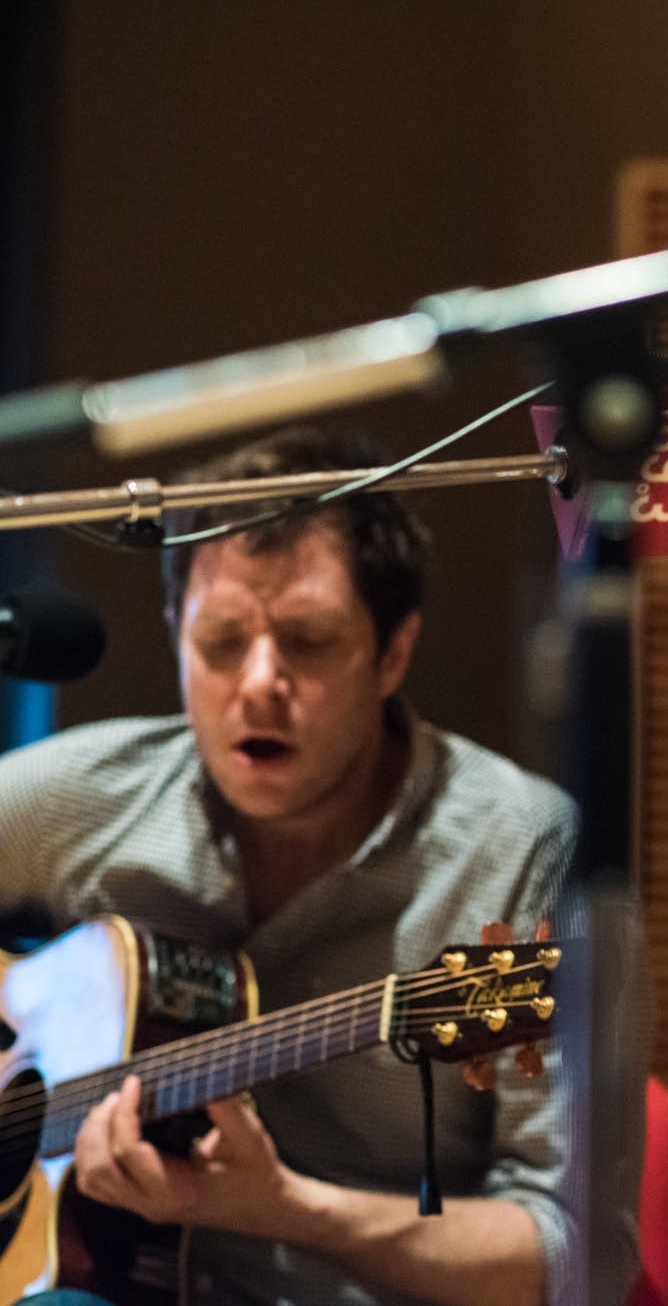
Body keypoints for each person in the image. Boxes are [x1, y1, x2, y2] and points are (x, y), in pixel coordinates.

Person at [0, 427, 602, 1306]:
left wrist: (284, 1207)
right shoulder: (81, 797)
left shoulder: (524, 847)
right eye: (220, 642)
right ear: (174, 632)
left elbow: (572, 1251)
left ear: (393, 651)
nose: (258, 682)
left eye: (308, 641)